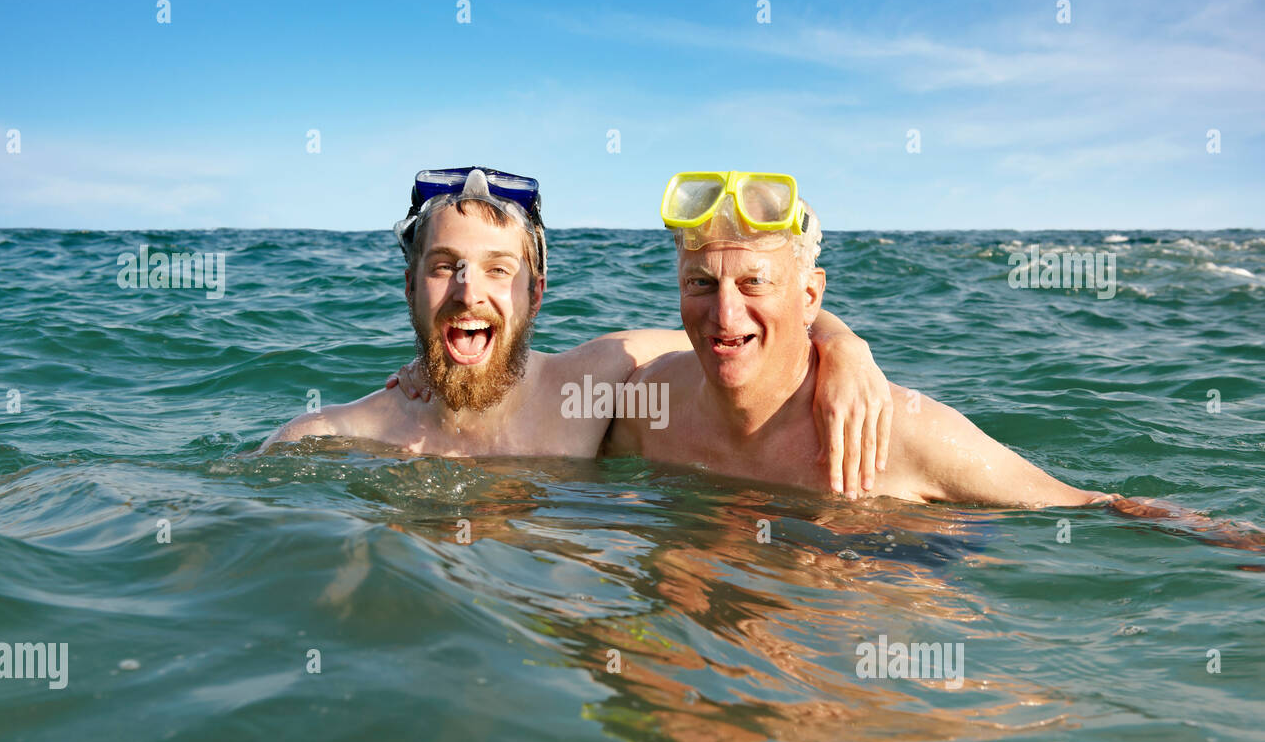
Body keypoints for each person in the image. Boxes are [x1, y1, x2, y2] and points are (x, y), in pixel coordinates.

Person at [262, 166, 893, 495]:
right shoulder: (326, 437)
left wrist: (843, 347)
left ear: (535, 294)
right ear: (410, 288)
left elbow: (727, 330)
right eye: (444, 267)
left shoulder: (591, 381)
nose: (467, 291)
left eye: (497, 269)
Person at [603, 170, 1111, 506]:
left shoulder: (906, 435)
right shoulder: (651, 406)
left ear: (809, 295)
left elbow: (1091, 507)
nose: (725, 312)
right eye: (701, 283)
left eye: (754, 282)